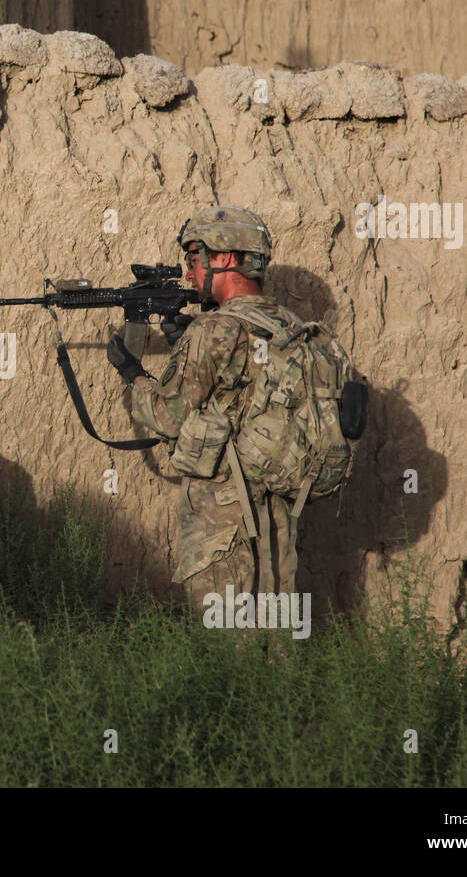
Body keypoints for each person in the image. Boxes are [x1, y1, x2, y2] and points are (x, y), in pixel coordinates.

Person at [105, 205, 320, 606]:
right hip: (279, 516)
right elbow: (241, 394)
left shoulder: (214, 329)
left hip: (223, 522)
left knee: (226, 650)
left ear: (222, 258)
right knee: (275, 645)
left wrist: (133, 375)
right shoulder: (290, 325)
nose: (188, 274)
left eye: (193, 259)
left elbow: (168, 416)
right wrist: (181, 343)